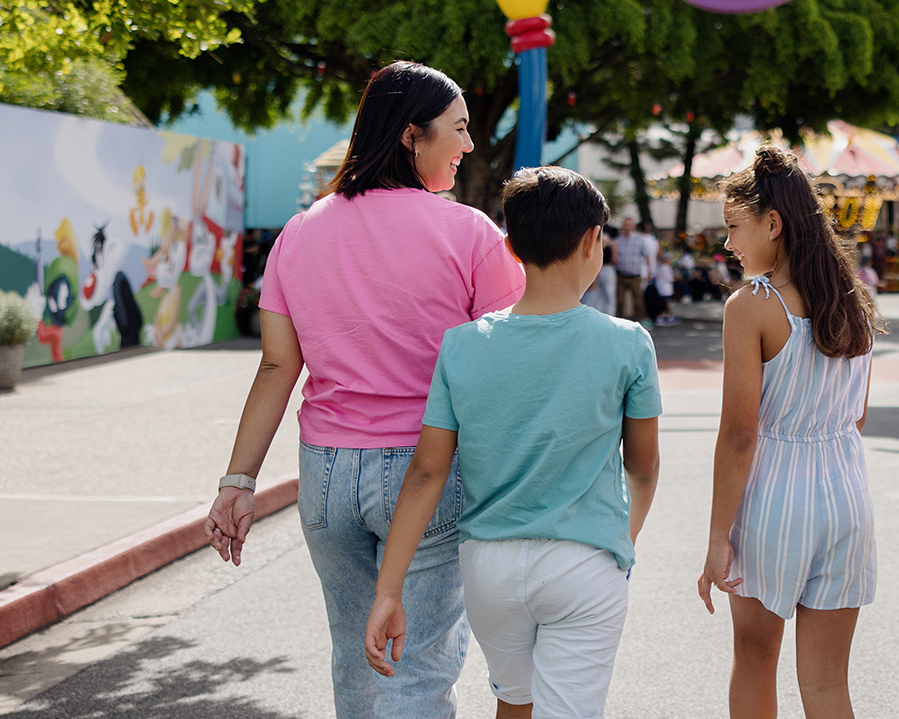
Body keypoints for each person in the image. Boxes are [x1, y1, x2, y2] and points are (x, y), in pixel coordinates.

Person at [207, 61, 527, 719]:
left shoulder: (300, 232)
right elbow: (507, 368)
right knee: (417, 667)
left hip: (325, 476)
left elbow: (277, 367)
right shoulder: (470, 233)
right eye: (458, 130)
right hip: (429, 471)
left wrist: (237, 482)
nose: (468, 145)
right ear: (413, 135)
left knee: (356, 658)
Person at [367, 166, 662, 718]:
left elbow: (428, 472)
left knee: (513, 704)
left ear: (509, 247)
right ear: (592, 240)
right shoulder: (627, 344)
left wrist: (389, 590)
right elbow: (642, 469)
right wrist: (620, 543)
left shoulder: (461, 346)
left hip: (489, 569)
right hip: (584, 562)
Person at [698, 145, 883, 719]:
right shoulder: (853, 301)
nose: (728, 244)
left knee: (754, 659)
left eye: (734, 227)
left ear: (772, 223)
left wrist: (715, 538)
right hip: (847, 497)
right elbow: (857, 416)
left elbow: (739, 435)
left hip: (775, 499)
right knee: (828, 684)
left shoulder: (751, 306)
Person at [615, 218, 648, 323]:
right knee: (620, 300)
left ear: (633, 226)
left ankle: (637, 320)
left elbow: (646, 256)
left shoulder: (639, 240)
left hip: (635, 275)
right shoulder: (618, 240)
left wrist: (649, 271)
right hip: (621, 274)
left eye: (629, 225)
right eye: (625, 225)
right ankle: (620, 320)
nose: (627, 227)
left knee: (637, 300)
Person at [582, 243, 618, 315]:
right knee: (597, 294)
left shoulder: (610, 241)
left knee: (607, 295)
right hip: (599, 267)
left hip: (605, 267)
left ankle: (608, 316)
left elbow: (614, 259)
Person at [648, 249, 677, 326]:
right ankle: (665, 317)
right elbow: (669, 278)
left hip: (660, 288)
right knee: (666, 304)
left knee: (663, 304)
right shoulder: (666, 268)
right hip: (666, 290)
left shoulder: (658, 267)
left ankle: (665, 316)